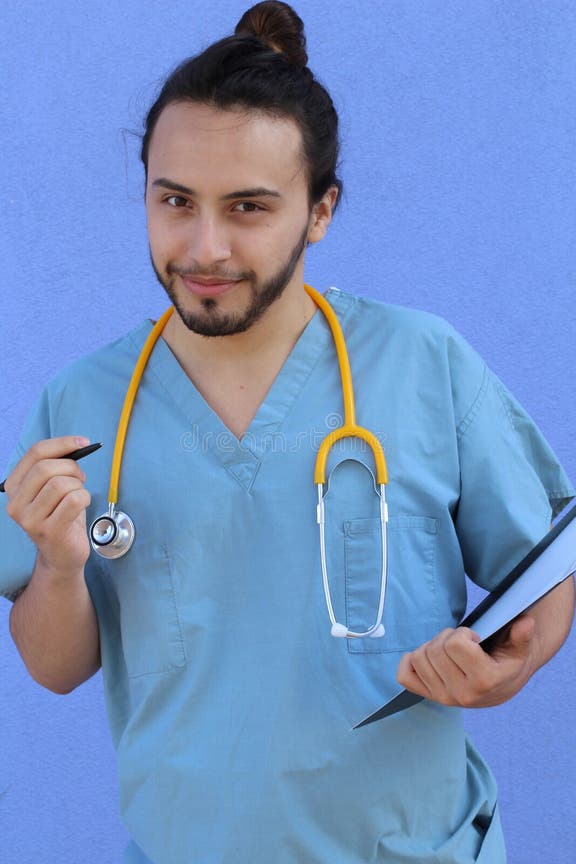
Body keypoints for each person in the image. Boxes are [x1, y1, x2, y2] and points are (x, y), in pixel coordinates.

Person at [0, 2, 574, 862]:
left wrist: (510, 668)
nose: (204, 247)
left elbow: (547, 573)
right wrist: (57, 563)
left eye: (249, 208)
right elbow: (55, 667)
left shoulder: (424, 363)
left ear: (321, 211)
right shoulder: (83, 404)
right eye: (175, 201)